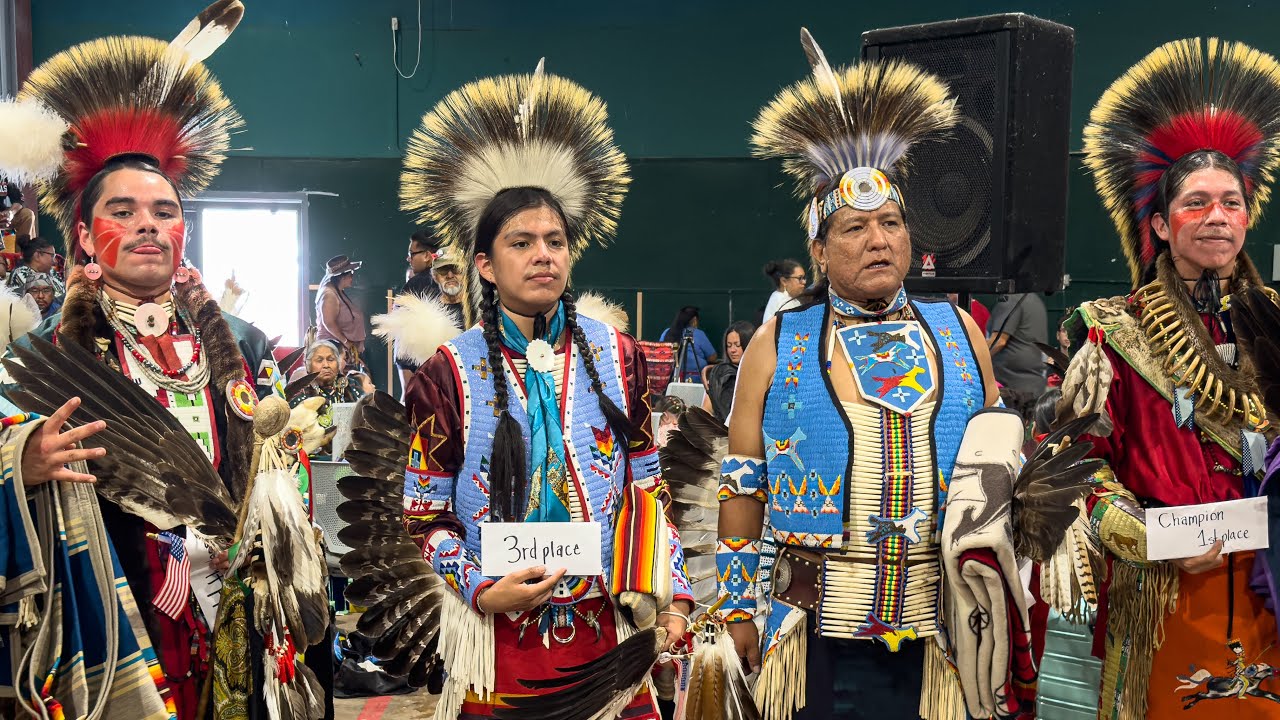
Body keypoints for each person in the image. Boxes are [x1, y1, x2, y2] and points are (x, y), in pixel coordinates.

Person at [0, 9, 329, 719]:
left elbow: (277, 467)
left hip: (236, 598)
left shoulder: (238, 342)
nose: (150, 223)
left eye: (166, 210)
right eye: (125, 210)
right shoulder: (44, 355)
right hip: (115, 594)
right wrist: (21, 462)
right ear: (86, 238)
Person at [721, 30, 1060, 720]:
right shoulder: (778, 342)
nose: (880, 240)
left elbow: (994, 466)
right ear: (817, 249)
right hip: (814, 632)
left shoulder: (960, 331)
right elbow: (743, 482)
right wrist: (735, 611)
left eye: (893, 223)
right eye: (854, 229)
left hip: (940, 630)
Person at [392, 60, 692, 718]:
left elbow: (649, 491)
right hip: (496, 644)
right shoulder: (448, 374)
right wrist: (476, 587)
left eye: (555, 241)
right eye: (521, 242)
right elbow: (424, 518)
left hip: (610, 630)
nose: (543, 255)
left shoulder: (619, 358)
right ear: (485, 264)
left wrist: (674, 596)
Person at [1053, 38, 1280, 720]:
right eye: (1196, 203)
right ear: (1159, 222)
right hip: (1167, 595)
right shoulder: (1111, 331)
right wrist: (1152, 537)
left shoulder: (1276, 324)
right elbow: (1078, 471)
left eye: (1232, 202)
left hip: (1274, 587)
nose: (1217, 216)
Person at [987, 292, 1048, 397]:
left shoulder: (1011, 299)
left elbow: (999, 341)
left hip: (1013, 389)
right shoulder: (1035, 299)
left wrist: (973, 359)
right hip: (1034, 384)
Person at [315, 254, 366, 367]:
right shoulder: (329, 294)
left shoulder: (336, 290)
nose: (353, 277)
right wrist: (347, 343)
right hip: (332, 351)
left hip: (340, 351)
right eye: (350, 274)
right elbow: (329, 323)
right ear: (342, 277)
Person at [701, 319, 756, 422]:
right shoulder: (719, 374)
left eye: (737, 345)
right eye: (729, 345)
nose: (732, 350)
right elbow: (707, 409)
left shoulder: (759, 374)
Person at [660, 305, 716, 382]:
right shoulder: (698, 334)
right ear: (695, 320)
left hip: (669, 379)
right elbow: (712, 358)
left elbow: (660, 353)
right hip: (696, 379)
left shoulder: (667, 332)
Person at [7, 235, 65, 300]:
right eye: (52, 256)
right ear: (37, 255)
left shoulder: (51, 271)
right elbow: (46, 302)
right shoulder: (21, 274)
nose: (55, 261)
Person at [403, 228, 441, 299]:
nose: (408, 259)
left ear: (426, 256)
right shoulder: (453, 279)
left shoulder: (414, 285)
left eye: (411, 254)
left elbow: (400, 309)